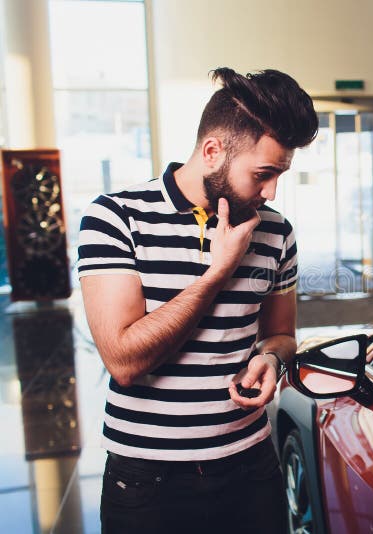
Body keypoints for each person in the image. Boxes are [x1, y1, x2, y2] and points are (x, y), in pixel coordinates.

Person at [77, 67, 318, 533]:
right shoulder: (116, 218)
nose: (271, 191)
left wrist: (270, 359)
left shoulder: (277, 231)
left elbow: (281, 335)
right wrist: (218, 272)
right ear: (212, 152)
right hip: (148, 481)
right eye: (263, 174)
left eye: (279, 174)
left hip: (251, 467)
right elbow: (124, 361)